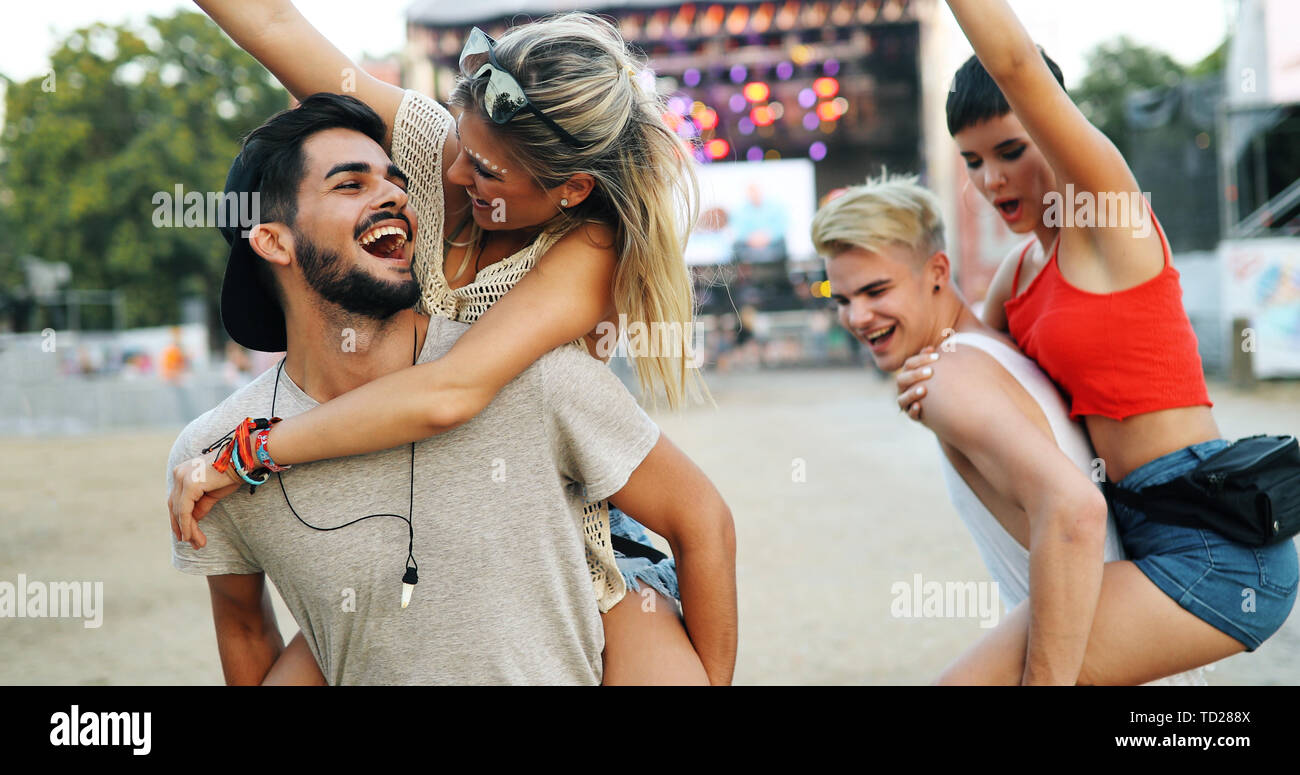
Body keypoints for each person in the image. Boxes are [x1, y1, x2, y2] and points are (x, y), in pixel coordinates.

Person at [175, 2, 717, 680]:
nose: (454, 174)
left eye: (487, 172)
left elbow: (449, 389)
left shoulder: (590, 248)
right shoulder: (435, 146)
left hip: (552, 527)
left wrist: (252, 451)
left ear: (571, 190)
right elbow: (279, 27)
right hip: (404, 518)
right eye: (465, 145)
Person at [893, 0, 1297, 684]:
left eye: (1012, 151)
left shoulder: (1108, 220)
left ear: (1050, 135)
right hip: (1130, 542)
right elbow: (971, 350)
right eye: (973, 161)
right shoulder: (1019, 275)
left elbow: (1018, 67)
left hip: (1218, 550)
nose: (991, 180)